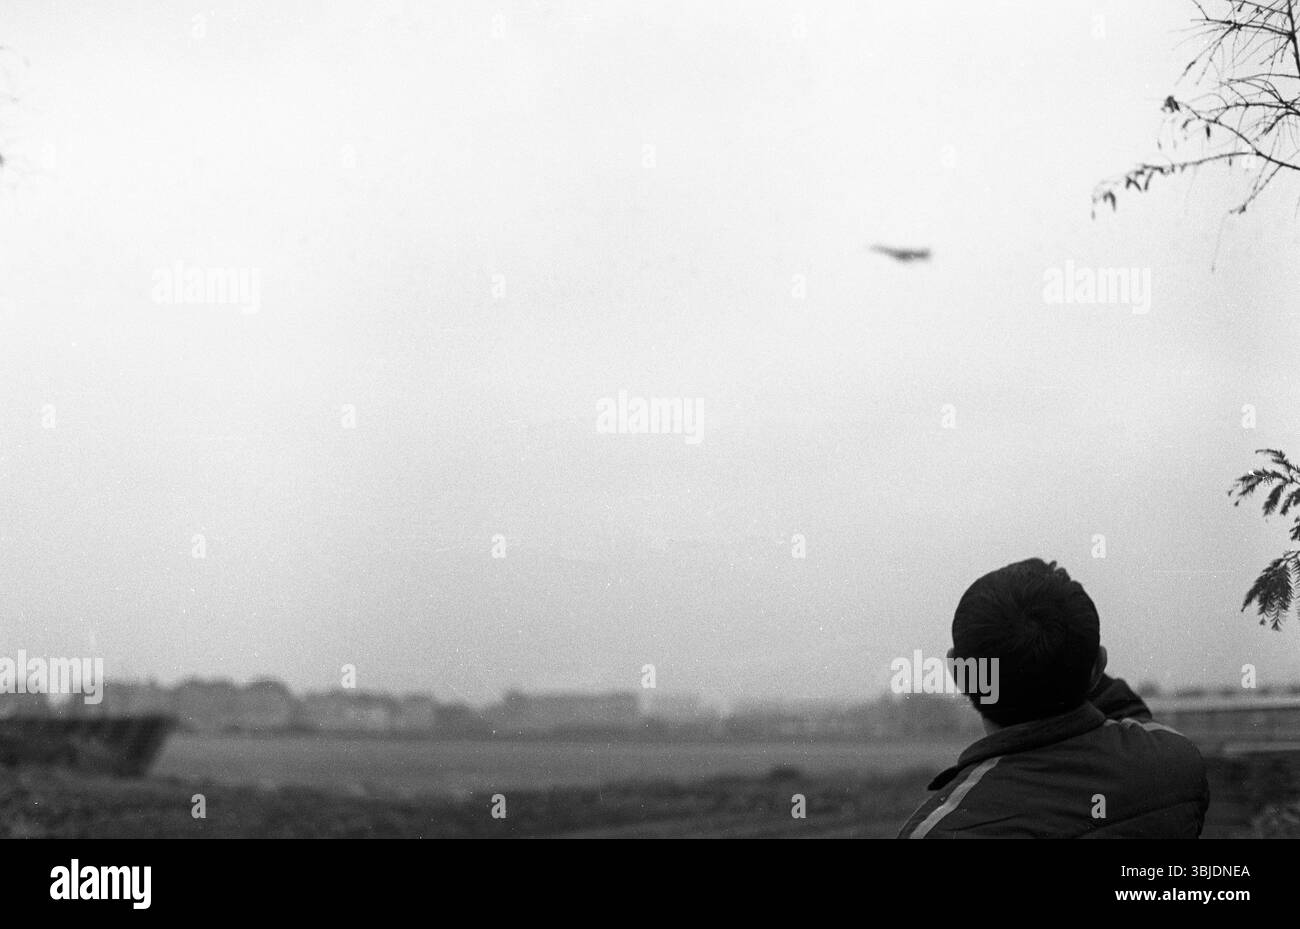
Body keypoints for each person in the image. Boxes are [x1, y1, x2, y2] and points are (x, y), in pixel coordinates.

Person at [898, 558, 1209, 838]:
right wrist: (1063, 653)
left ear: (960, 674)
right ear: (1099, 667)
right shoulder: (1177, 764)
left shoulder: (939, 829)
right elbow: (1124, 712)